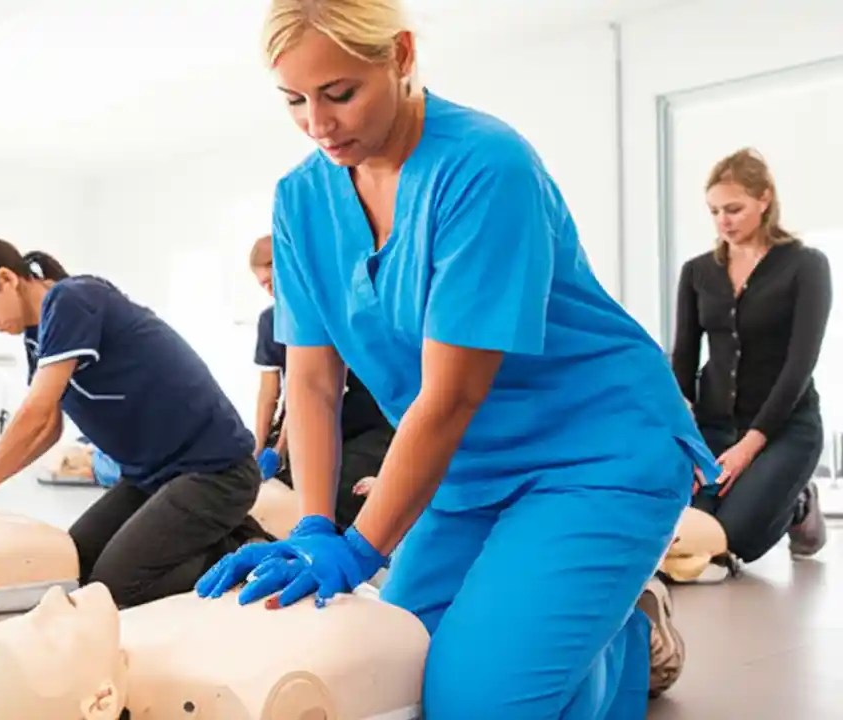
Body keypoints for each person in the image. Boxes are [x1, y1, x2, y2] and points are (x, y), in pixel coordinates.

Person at [194, 2, 721, 717]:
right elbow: (313, 385)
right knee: (388, 667)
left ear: (401, 56)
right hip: (467, 473)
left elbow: (450, 397)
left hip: (596, 453)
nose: (318, 124)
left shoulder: (483, 165)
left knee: (477, 704)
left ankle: (619, 643)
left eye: (340, 93)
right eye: (294, 100)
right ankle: (583, 620)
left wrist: (362, 552)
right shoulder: (300, 200)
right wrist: (315, 529)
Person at [0, 236, 263, 608]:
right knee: (75, 563)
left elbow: (35, 413)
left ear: (7, 279)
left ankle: (243, 548)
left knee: (118, 585)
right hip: (152, 478)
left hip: (214, 472)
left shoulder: (71, 299)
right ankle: (221, 531)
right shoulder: (37, 335)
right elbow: (48, 428)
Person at [673, 148, 831, 562]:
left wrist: (750, 447)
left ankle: (797, 502)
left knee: (734, 539)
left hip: (783, 428)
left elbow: (800, 365)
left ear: (764, 200)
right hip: (714, 426)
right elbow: (683, 363)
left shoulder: (805, 265)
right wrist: (684, 443)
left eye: (734, 208)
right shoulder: (696, 272)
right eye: (714, 211)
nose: (723, 221)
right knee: (682, 527)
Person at [249, 234, 393, 528]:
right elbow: (270, 393)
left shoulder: (340, 308)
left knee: (334, 494)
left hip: (368, 420)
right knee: (267, 488)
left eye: (270, 282)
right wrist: (260, 448)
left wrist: (280, 450)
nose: (269, 291)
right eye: (262, 286)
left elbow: (320, 389)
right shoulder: (271, 321)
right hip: (311, 415)